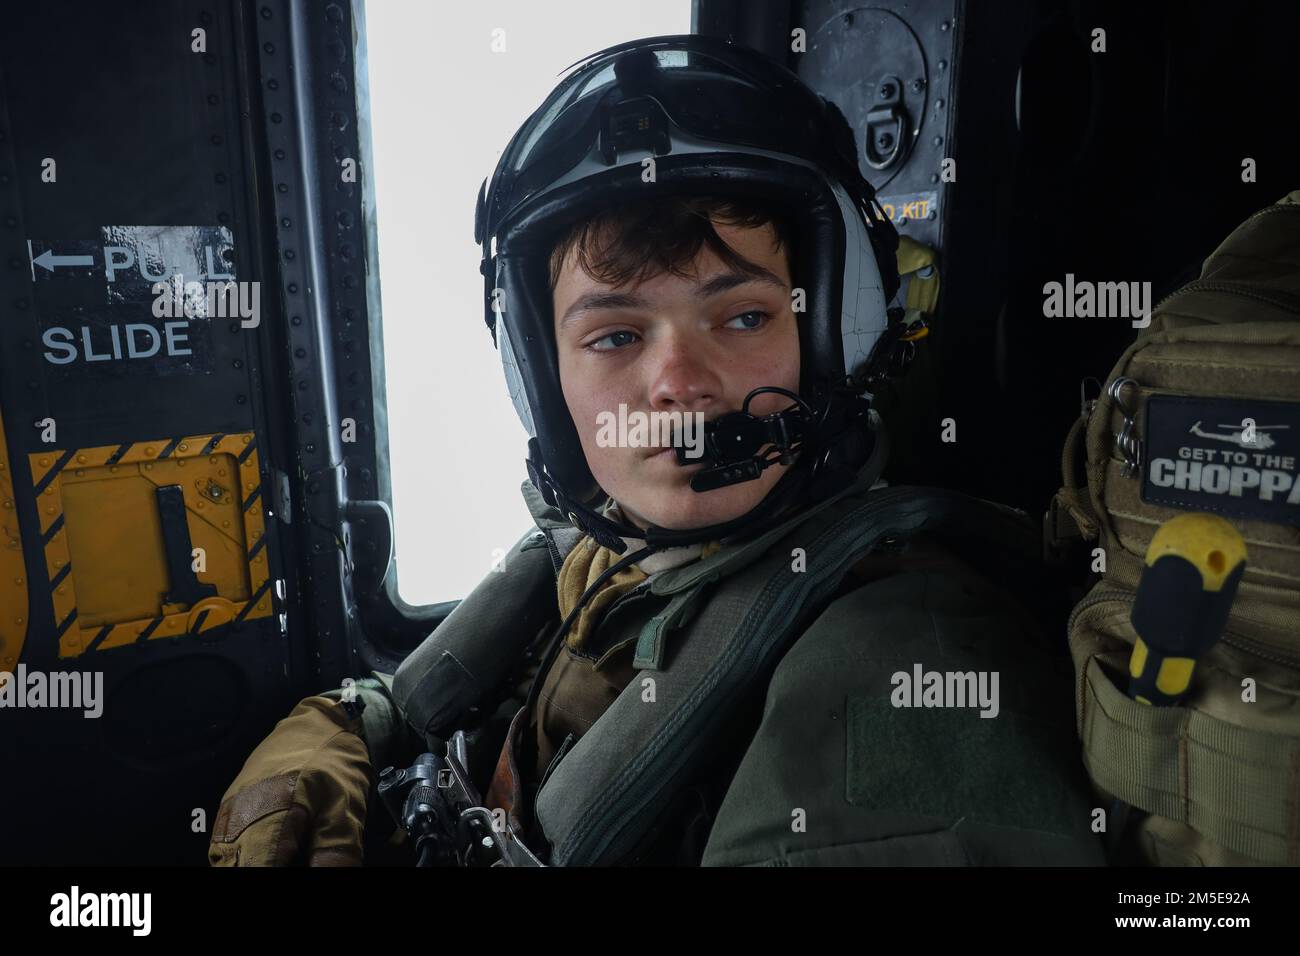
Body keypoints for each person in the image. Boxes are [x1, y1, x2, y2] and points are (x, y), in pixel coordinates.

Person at [209, 34, 1104, 867]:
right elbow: (398, 704)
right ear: (544, 377)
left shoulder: (909, 656)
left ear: (835, 336)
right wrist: (320, 741)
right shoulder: (594, 554)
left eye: (745, 316)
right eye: (614, 337)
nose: (678, 383)